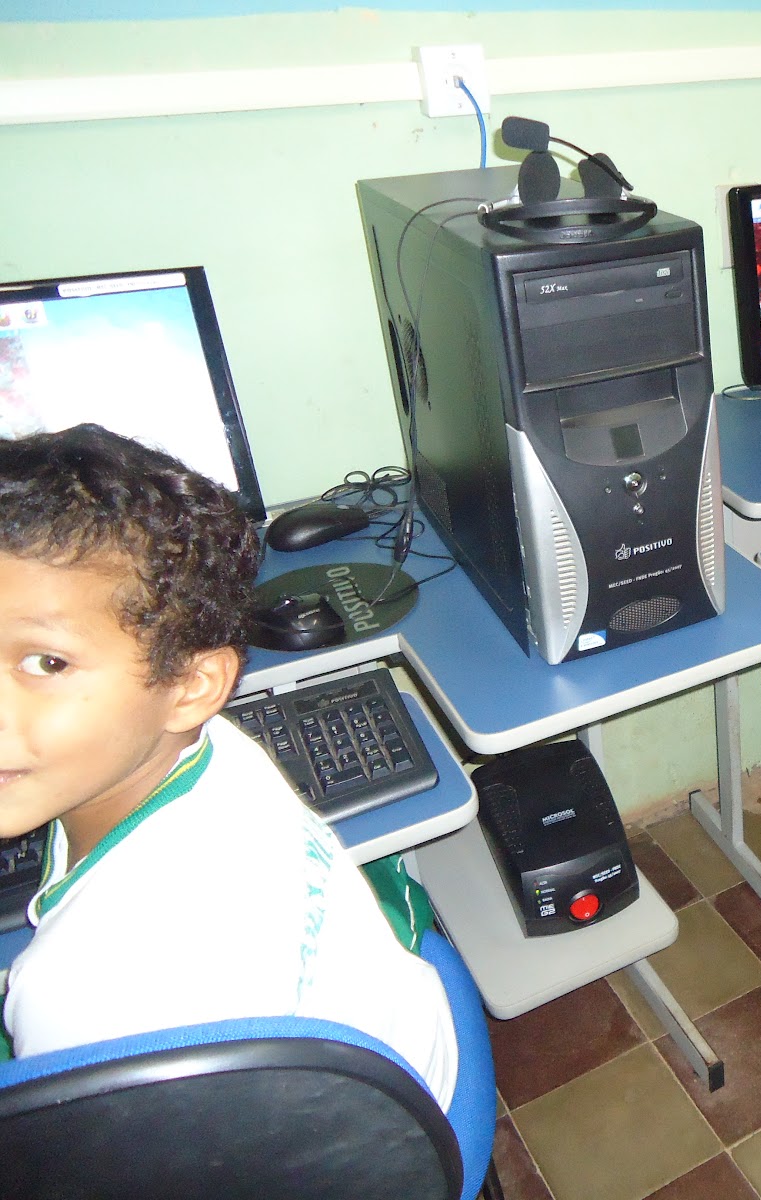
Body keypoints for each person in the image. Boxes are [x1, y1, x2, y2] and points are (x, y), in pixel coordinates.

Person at [0, 423, 457, 1102]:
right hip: (399, 1050)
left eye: (46, 663)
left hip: (365, 1146)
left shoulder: (70, 995)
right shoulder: (206, 746)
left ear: (191, 687)